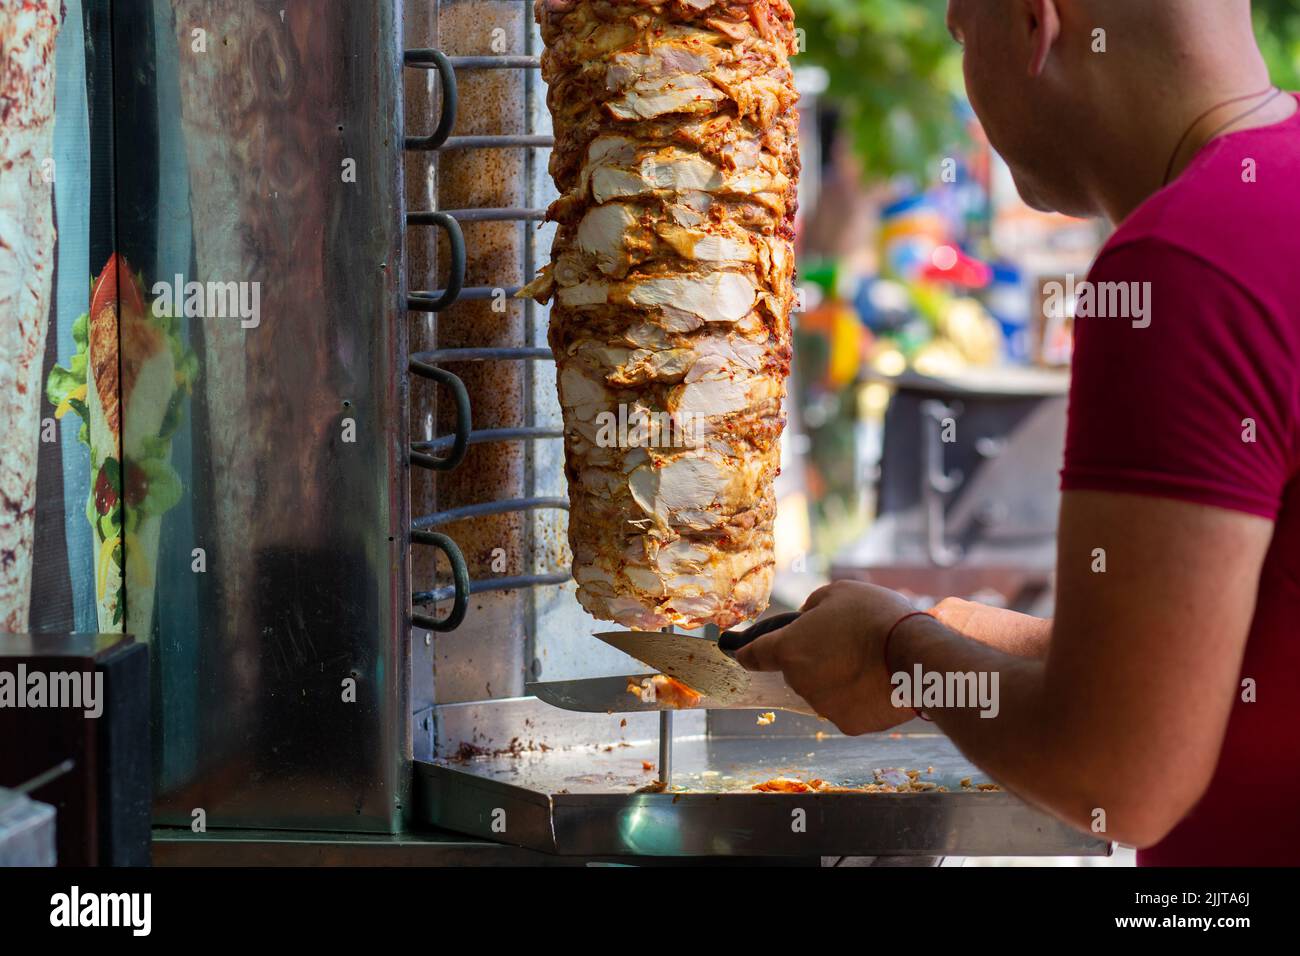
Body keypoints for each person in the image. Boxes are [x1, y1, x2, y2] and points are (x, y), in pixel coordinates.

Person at [738, 0, 1300, 865]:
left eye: (964, 34)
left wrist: (897, 652)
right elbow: (1250, 655)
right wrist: (989, 638)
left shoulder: (1181, 265)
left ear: (1035, 24)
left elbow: (1114, 774)